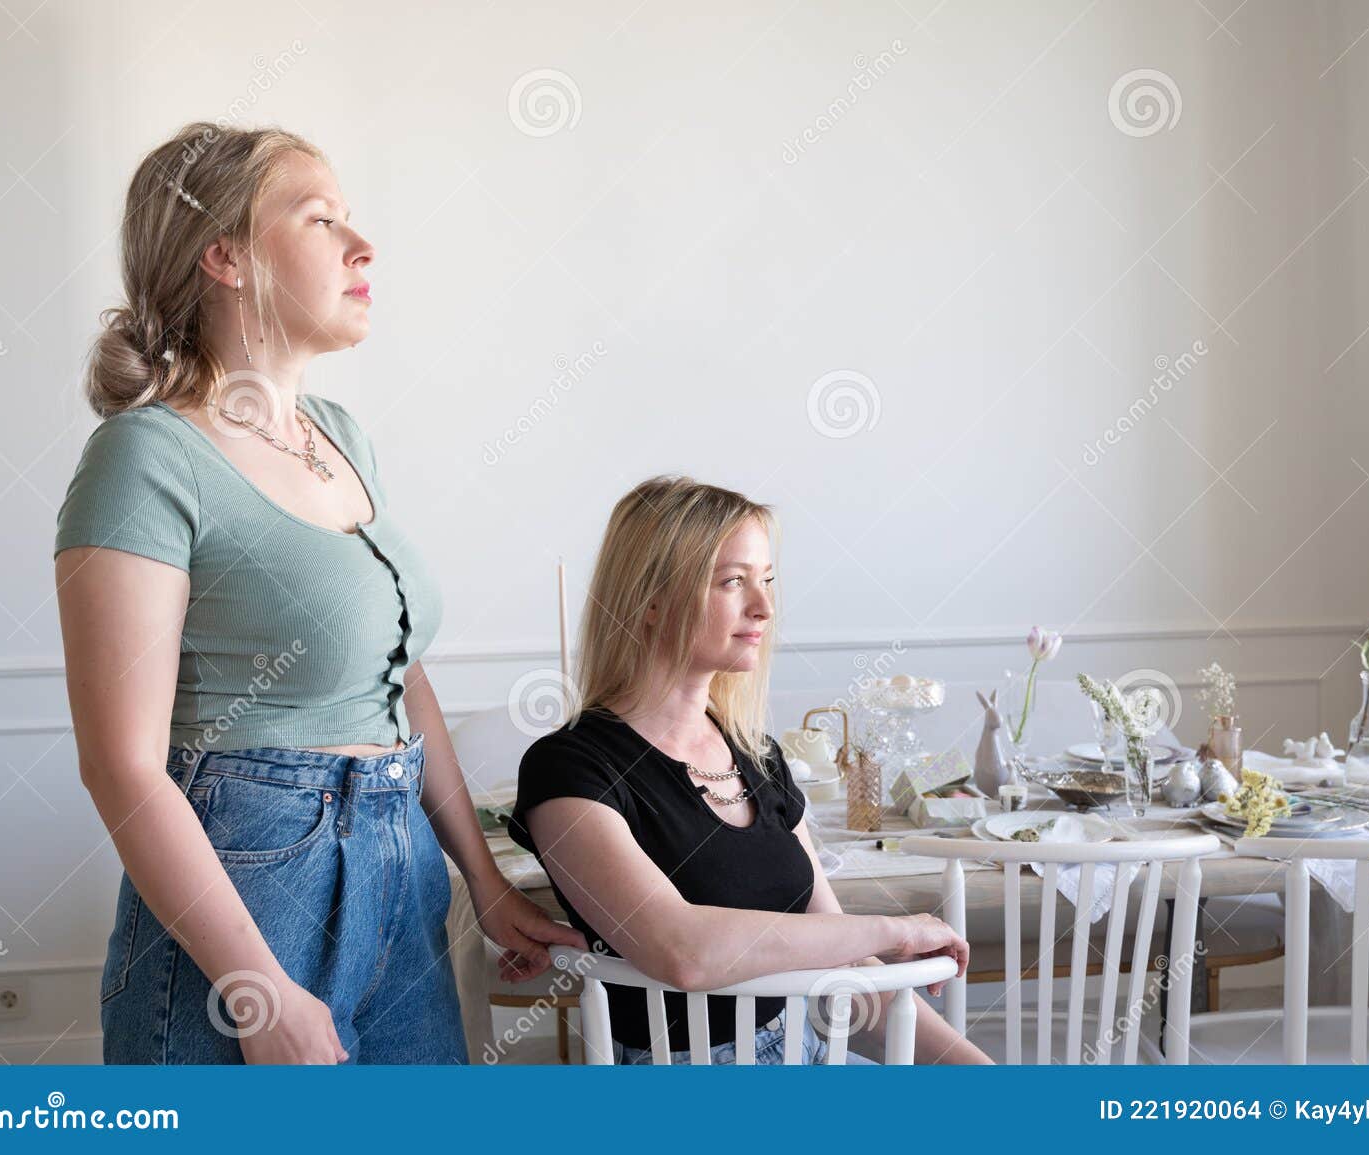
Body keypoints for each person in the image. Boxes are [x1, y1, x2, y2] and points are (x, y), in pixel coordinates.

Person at [54, 122, 582, 1064]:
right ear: (225, 254)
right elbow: (122, 768)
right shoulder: (144, 458)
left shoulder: (340, 435)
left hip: (401, 869)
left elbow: (403, 684)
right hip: (249, 890)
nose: (362, 244)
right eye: (321, 218)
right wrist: (255, 990)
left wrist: (487, 883)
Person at [508, 476, 992, 1064]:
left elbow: (843, 965)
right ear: (650, 600)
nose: (763, 607)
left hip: (808, 1050)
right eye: (732, 581)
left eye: (766, 581)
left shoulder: (756, 755)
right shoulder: (570, 768)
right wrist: (894, 932)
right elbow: (683, 950)